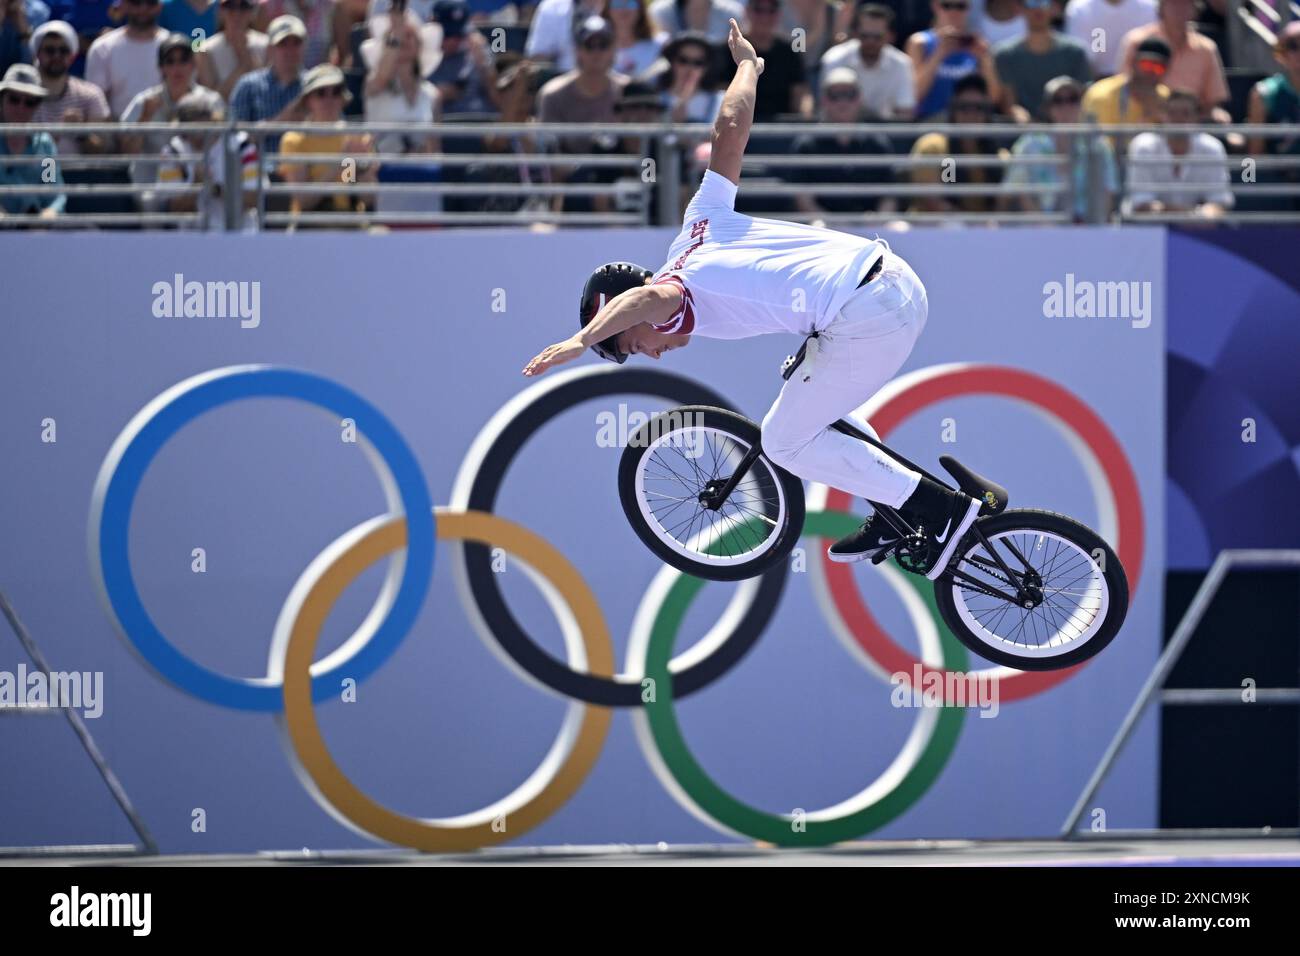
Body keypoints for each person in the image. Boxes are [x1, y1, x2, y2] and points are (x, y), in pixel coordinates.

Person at [522, 18, 984, 577]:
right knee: (810, 407)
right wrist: (746, 67)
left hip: (867, 312)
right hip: (890, 283)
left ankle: (942, 510)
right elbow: (730, 129)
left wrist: (580, 340)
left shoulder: (672, 293)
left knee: (784, 444)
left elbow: (645, 302)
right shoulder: (700, 222)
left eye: (627, 346)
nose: (644, 351)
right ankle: (896, 505)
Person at [787, 66, 898, 217]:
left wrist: (879, 218)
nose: (843, 102)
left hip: (870, 224)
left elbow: (889, 196)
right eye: (835, 95)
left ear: (859, 99)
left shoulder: (877, 142)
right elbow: (803, 200)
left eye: (849, 94)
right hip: (824, 227)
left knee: (900, 227)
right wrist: (830, 222)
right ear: (824, 100)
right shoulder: (806, 145)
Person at [1004, 74, 1117, 220]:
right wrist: (1044, 227)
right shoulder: (1030, 144)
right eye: (1058, 101)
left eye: (1073, 100)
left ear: (1082, 105)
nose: (1066, 107)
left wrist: (1093, 229)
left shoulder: (1098, 145)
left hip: (1088, 227)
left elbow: (1108, 191)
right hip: (1040, 229)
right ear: (1047, 108)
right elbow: (1021, 192)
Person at [278, 62, 377, 224]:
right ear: (308, 100)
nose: (329, 99)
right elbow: (305, 201)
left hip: (351, 225)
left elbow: (368, 198)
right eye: (321, 93)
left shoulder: (356, 137)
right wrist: (342, 160)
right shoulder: (294, 140)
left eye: (336, 92)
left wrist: (361, 166)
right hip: (310, 229)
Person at [146, 91, 261, 229]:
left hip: (238, 235)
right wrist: (197, 185)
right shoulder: (173, 151)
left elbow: (253, 199)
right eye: (188, 119)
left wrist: (215, 189)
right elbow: (171, 208)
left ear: (216, 120)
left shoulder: (242, 146)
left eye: (202, 116)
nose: (196, 126)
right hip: (190, 239)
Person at [1123, 86, 1231, 218]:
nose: (1178, 119)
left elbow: (1218, 202)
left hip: (1195, 229)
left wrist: (1198, 218)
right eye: (1172, 113)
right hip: (1148, 230)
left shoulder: (1212, 149)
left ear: (1196, 119)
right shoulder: (1143, 147)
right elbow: (1141, 204)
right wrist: (1191, 214)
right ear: (1162, 116)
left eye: (1185, 113)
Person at [1117, 0, 1226, 120]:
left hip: (1191, 126)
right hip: (1144, 122)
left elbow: (1213, 101)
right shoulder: (1137, 41)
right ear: (1161, 7)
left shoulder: (1207, 49)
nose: (1179, 8)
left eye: (1185, 3)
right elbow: (1124, 88)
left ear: (1196, 9)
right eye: (1173, 3)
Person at [992, 0, 1089, 120]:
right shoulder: (1004, 55)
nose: (1038, 8)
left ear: (1054, 7)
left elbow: (1083, 99)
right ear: (1019, 8)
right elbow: (1010, 104)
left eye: (1044, 2)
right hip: (1023, 133)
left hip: (1067, 130)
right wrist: (1019, 116)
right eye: (1031, 2)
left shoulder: (1075, 52)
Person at [818, 3, 915, 119]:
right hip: (840, 130)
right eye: (865, 36)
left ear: (890, 37)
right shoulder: (834, 59)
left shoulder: (901, 64)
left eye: (877, 37)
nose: (870, 41)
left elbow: (905, 111)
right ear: (855, 34)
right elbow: (825, 106)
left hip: (884, 133)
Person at [906, 0, 1001, 119]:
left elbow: (993, 98)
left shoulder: (977, 45)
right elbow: (914, 95)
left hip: (970, 123)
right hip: (929, 120)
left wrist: (984, 59)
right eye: (947, 5)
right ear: (935, 6)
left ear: (968, 9)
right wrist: (938, 54)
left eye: (960, 6)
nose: (953, 12)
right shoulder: (920, 42)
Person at [30, 19, 111, 155]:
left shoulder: (90, 94)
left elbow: (103, 149)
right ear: (38, 54)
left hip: (79, 174)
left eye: (63, 51)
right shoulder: (20, 98)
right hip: (33, 174)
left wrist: (81, 133)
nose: (57, 56)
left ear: (72, 56)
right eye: (50, 50)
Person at [0, 62, 65, 219]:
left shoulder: (44, 144)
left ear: (37, 106)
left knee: (89, 230)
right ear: (1, 101)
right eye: (14, 99)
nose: (21, 108)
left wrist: (48, 215)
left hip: (38, 230)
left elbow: (52, 191)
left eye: (30, 102)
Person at [84, 0, 170, 116]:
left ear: (159, 6)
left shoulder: (173, 47)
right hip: (115, 130)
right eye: (136, 3)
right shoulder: (102, 48)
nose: (143, 9)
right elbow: (96, 105)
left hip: (166, 131)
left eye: (150, 3)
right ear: (124, 5)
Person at [196, 0, 269, 101]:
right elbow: (211, 99)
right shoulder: (205, 50)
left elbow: (266, 90)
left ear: (252, 12)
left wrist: (246, 54)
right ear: (220, 12)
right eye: (230, 6)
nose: (237, 13)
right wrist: (243, 65)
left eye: (243, 7)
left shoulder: (266, 45)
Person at [1063, 0, 1156, 76]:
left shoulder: (1150, 7)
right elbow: (1082, 60)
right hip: (1095, 82)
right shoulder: (1080, 8)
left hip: (1140, 82)